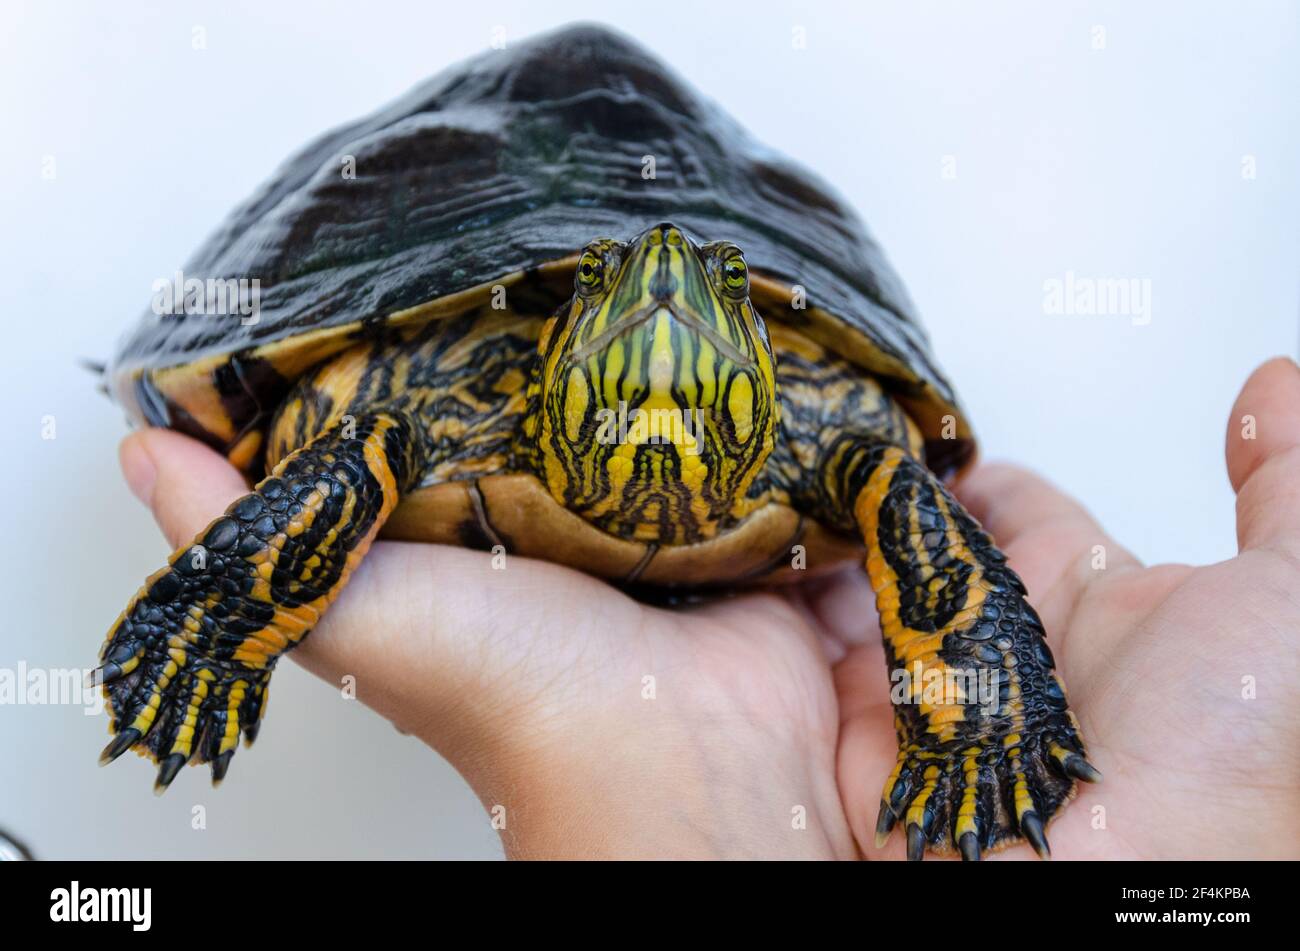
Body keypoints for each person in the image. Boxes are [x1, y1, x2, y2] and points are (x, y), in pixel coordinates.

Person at [116, 358, 1300, 860]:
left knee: (890, 483)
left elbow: (904, 483)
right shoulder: (416, 413)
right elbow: (355, 428)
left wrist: (982, 726)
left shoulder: (833, 432)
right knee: (368, 435)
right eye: (614, 300)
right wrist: (220, 615)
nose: (666, 296)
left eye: (712, 297)